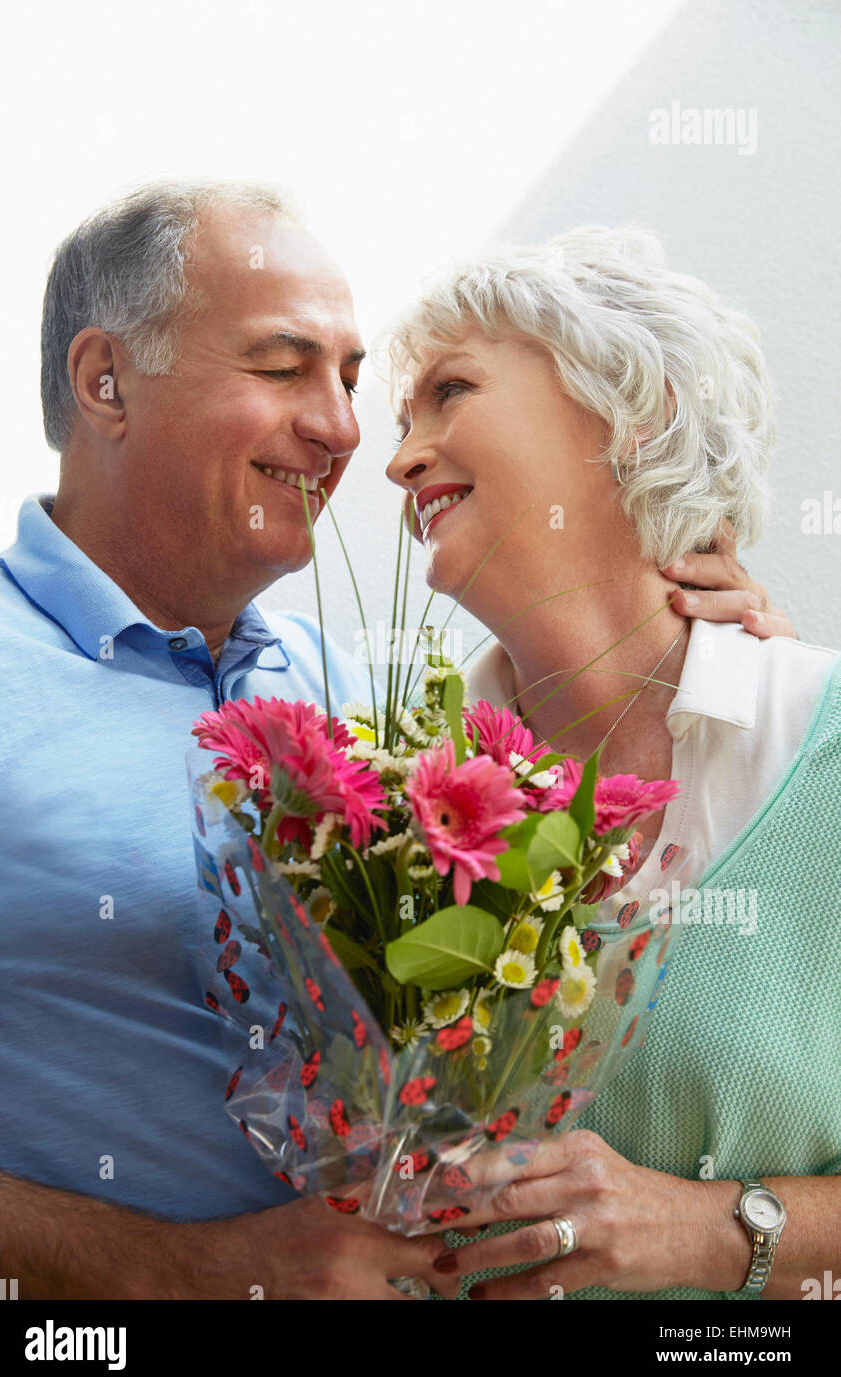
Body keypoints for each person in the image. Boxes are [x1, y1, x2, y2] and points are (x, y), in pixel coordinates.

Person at [0, 184, 792, 1302]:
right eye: (281, 366)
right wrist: (184, 1274)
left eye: (353, 381)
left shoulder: (377, 706)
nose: (347, 430)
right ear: (105, 380)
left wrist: (713, 652)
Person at [383, 225, 841, 1300]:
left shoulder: (822, 750)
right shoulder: (394, 807)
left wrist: (723, 1228)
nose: (398, 458)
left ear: (637, 416)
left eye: (449, 392)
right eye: (401, 422)